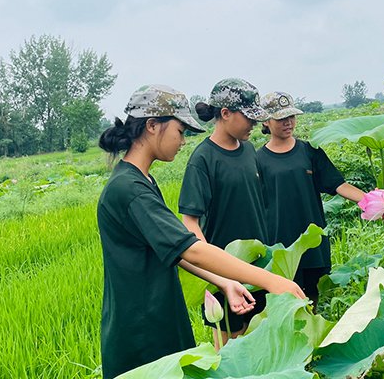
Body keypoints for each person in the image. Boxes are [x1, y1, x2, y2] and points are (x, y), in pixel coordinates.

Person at [97, 84, 304, 378]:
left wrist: (223, 281)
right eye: (180, 131)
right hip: (141, 329)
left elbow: (170, 249)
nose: (183, 141)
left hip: (160, 314)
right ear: (153, 126)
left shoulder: (141, 181)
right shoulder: (129, 190)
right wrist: (271, 280)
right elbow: (190, 247)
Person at [178, 78, 271, 346]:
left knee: (259, 344)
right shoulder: (203, 159)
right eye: (248, 117)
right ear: (225, 114)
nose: (253, 124)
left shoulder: (250, 151)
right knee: (228, 353)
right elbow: (190, 222)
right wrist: (216, 275)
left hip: (258, 265)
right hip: (224, 271)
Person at [256, 91, 365, 309]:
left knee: (313, 301)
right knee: (286, 304)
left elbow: (338, 185)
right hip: (280, 247)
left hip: (312, 240)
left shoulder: (309, 151)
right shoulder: (257, 160)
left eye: (291, 117)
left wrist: (372, 201)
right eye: (281, 118)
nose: (288, 122)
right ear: (266, 121)